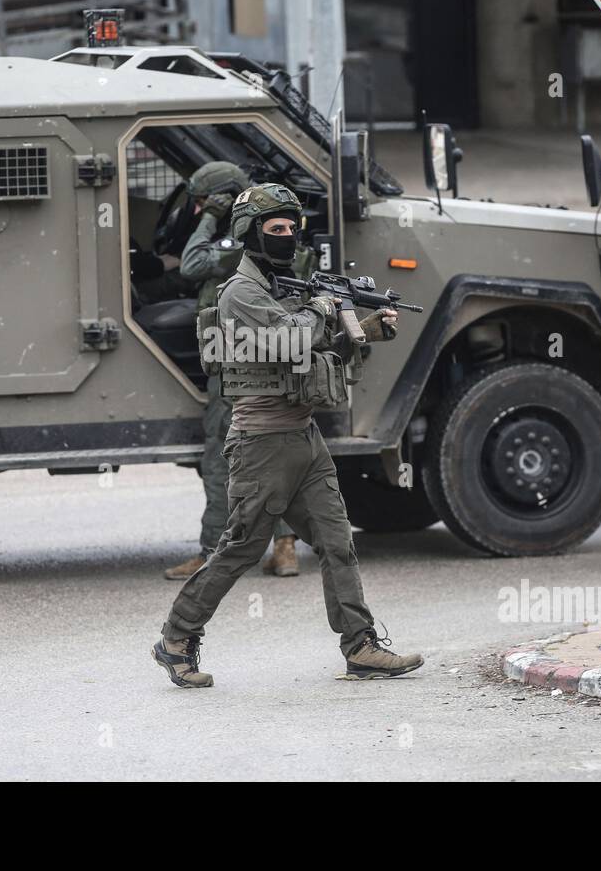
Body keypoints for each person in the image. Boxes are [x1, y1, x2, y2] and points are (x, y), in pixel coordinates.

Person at [153, 183, 424, 687]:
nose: (286, 236)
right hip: (261, 442)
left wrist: (365, 327)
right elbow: (289, 339)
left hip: (303, 435)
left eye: (291, 228)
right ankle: (176, 638)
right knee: (240, 548)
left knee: (337, 541)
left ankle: (361, 646)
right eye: (275, 229)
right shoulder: (241, 294)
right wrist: (324, 308)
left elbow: (316, 351)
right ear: (250, 233)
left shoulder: (284, 288)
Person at [162, 161, 303, 581]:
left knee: (221, 459)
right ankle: (285, 547)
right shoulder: (269, 236)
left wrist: (208, 217)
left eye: (207, 201)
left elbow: (191, 264)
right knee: (275, 457)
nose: (200, 208)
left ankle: (212, 552)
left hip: (237, 367)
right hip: (271, 362)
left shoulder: (241, 242)